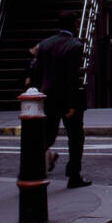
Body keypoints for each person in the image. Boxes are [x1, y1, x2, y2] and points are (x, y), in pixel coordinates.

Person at [31, 12, 90, 189]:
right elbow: (72, 78)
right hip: (67, 100)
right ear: (74, 24)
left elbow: (37, 73)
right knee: (76, 138)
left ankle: (31, 170)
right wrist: (71, 104)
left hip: (47, 99)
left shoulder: (45, 44)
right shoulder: (75, 45)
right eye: (77, 22)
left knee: (47, 136)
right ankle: (74, 176)